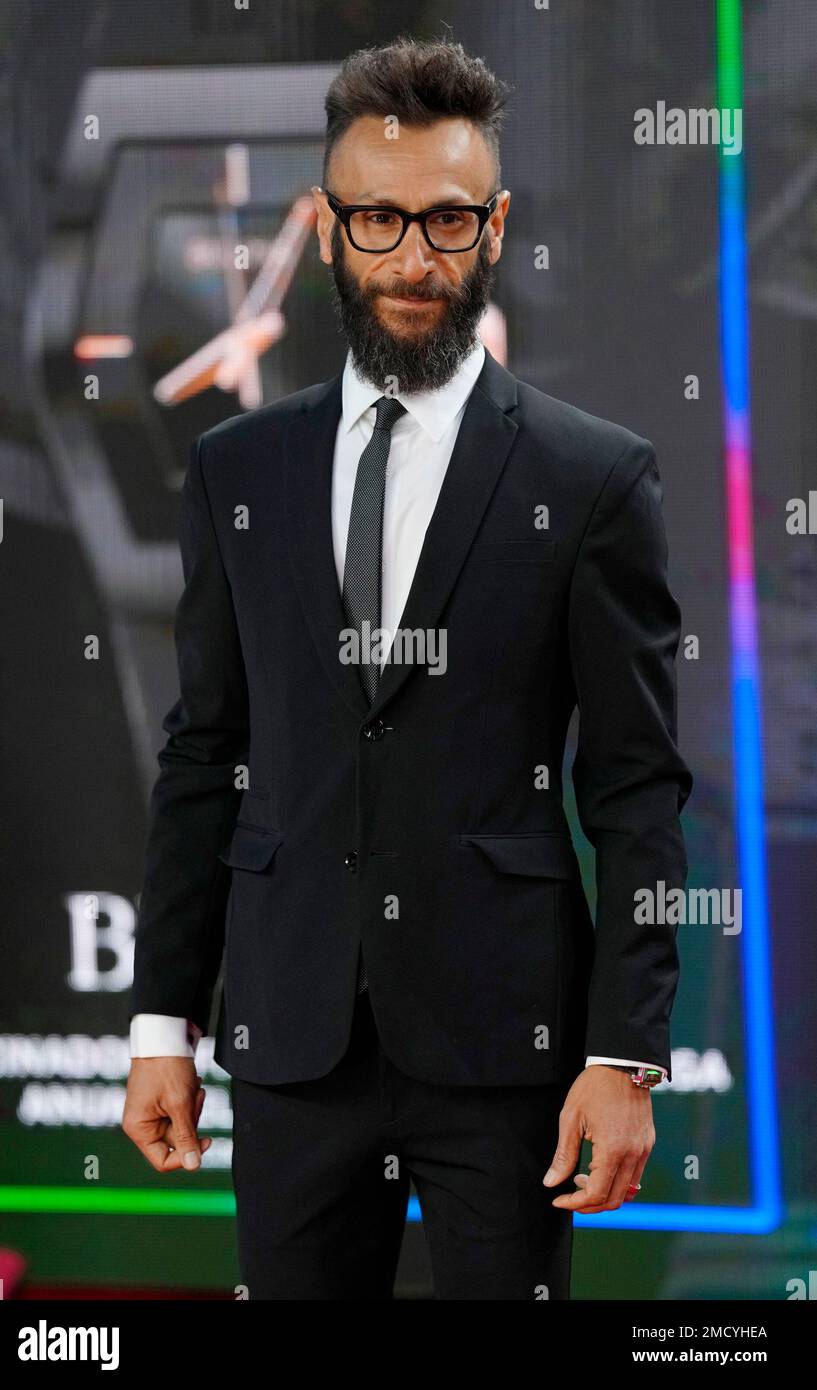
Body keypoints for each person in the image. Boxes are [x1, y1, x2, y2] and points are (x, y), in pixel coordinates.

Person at [123, 36, 693, 1300]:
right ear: (327, 230)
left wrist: (624, 1056)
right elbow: (203, 751)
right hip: (294, 1045)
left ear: (494, 226)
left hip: (510, 1050)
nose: (414, 258)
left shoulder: (592, 475)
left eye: (446, 219)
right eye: (378, 219)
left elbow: (639, 786)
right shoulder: (238, 469)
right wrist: (162, 1022)